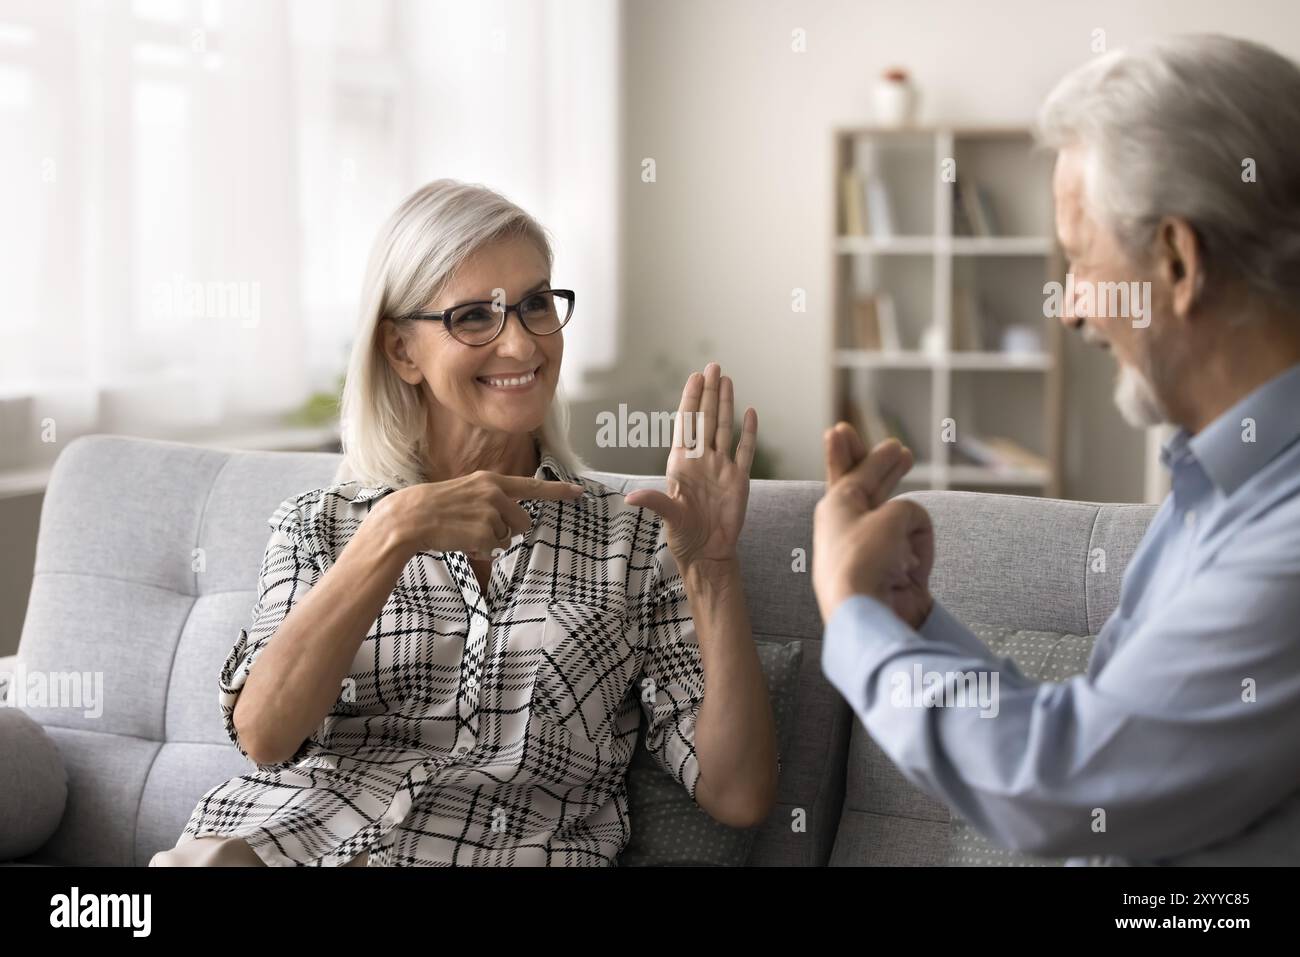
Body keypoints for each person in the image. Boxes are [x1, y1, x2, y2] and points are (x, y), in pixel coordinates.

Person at [152, 179, 777, 866]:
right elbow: (266, 735)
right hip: (287, 842)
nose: (520, 344)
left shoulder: (635, 540)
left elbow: (738, 794)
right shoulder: (319, 524)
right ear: (400, 351)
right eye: (474, 316)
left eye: (536, 304)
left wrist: (713, 571)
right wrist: (394, 532)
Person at [812, 34, 1300, 865]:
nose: (1069, 309)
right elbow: (1107, 733)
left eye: (1079, 260)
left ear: (1178, 260)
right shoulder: (1213, 485)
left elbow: (1065, 785)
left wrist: (852, 613)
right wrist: (910, 620)